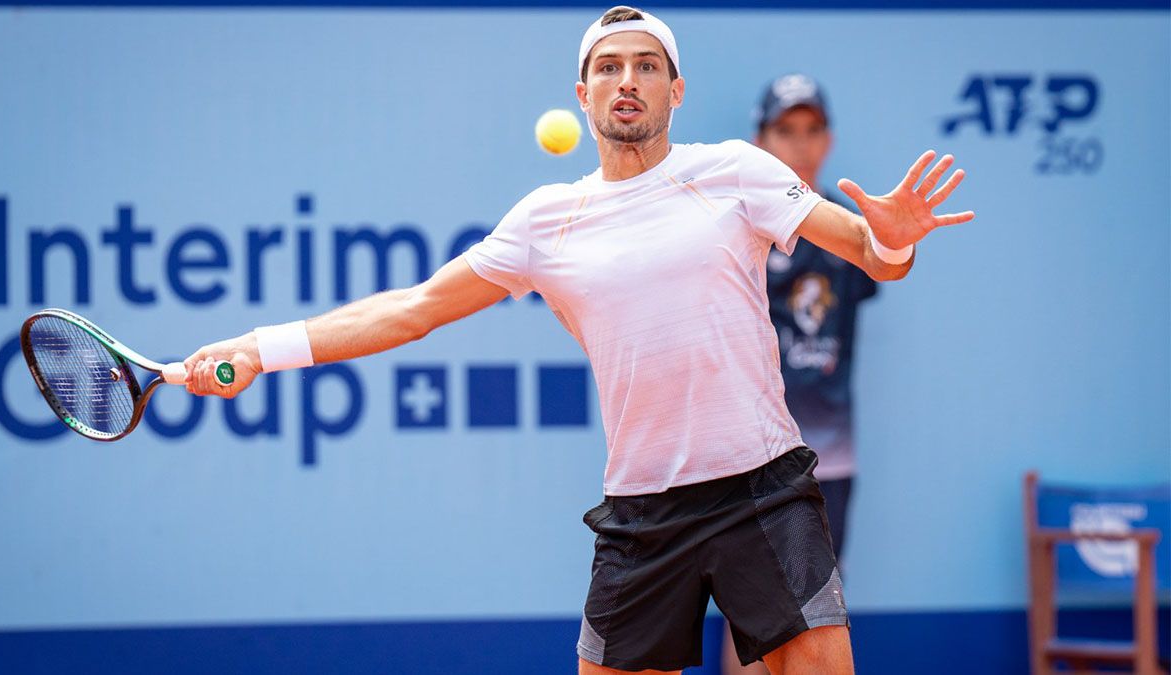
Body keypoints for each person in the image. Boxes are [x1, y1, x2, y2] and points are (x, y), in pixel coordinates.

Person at [180, 7, 973, 674]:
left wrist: (894, 240)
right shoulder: (543, 221)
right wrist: (259, 348)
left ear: (676, 88)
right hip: (642, 513)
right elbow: (413, 307)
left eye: (646, 66)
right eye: (609, 67)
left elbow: (872, 255)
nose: (627, 80)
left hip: (762, 489)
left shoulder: (737, 170)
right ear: (583, 92)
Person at [721, 74, 879, 675]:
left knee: (818, 621)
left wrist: (892, 240)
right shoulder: (732, 232)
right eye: (785, 131)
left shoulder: (844, 230)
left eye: (812, 131)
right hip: (748, 455)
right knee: (752, 622)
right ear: (760, 140)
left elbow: (883, 267)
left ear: (829, 140)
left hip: (827, 458)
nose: (801, 145)